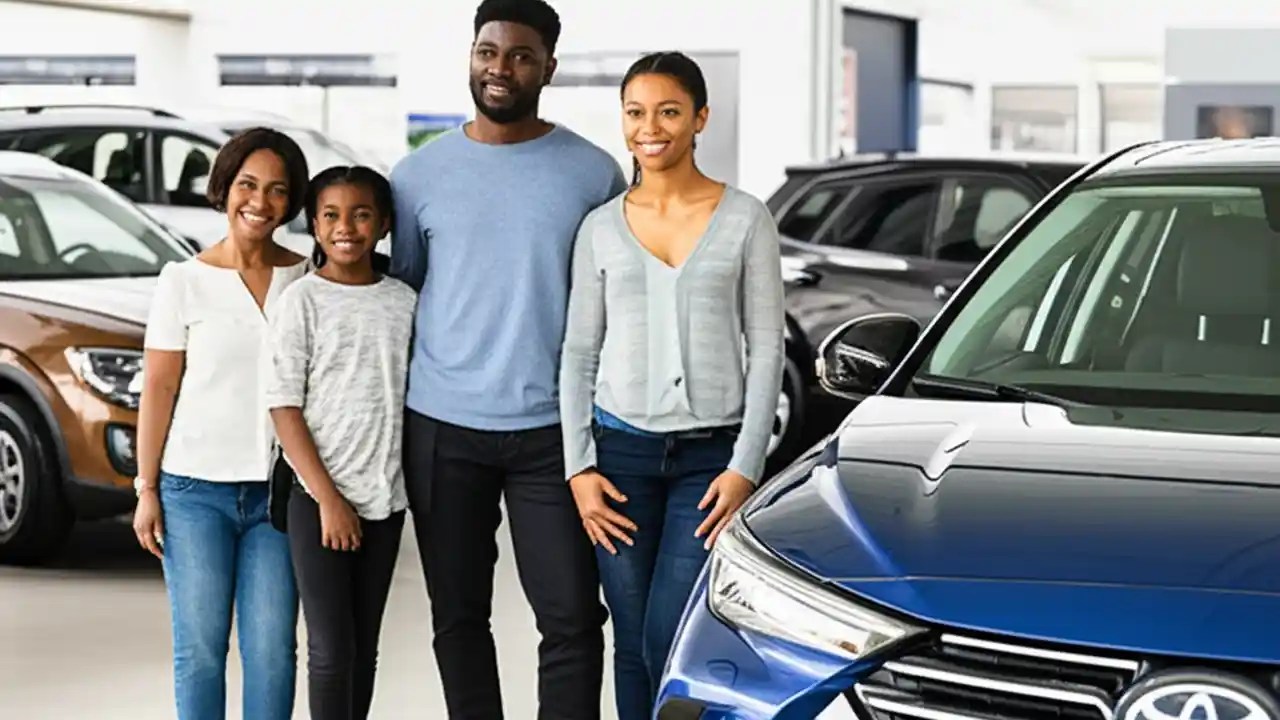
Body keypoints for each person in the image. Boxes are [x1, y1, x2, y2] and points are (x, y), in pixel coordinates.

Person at [388, 0, 628, 716]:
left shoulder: (593, 174)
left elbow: (616, 300)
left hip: (554, 434)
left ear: (548, 67)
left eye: (520, 55)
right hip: (441, 426)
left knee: (573, 620)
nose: (500, 68)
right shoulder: (417, 175)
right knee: (458, 616)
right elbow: (401, 292)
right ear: (470, 55)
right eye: (487, 51)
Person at [558, 51, 785, 720]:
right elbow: (577, 352)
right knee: (631, 641)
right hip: (619, 456)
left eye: (668, 111)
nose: (648, 127)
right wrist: (579, 467)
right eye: (634, 112)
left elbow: (767, 345)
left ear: (699, 118)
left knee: (671, 632)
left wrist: (747, 464)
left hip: (709, 465)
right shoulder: (600, 228)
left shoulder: (745, 219)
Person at [132, 127, 311, 720]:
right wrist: (147, 489)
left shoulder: (308, 277)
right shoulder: (182, 281)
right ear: (225, 187)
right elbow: (159, 389)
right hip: (193, 493)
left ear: (292, 201)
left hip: (280, 498)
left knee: (273, 653)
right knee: (201, 653)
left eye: (277, 190)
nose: (259, 202)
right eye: (247, 185)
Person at [265, 165, 416, 720]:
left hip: (385, 499)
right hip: (318, 498)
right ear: (313, 223)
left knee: (363, 648)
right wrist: (328, 499)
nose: (345, 227)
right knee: (330, 650)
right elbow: (283, 404)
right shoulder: (303, 300)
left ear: (383, 224)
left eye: (360, 214)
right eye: (330, 215)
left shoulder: (403, 301)